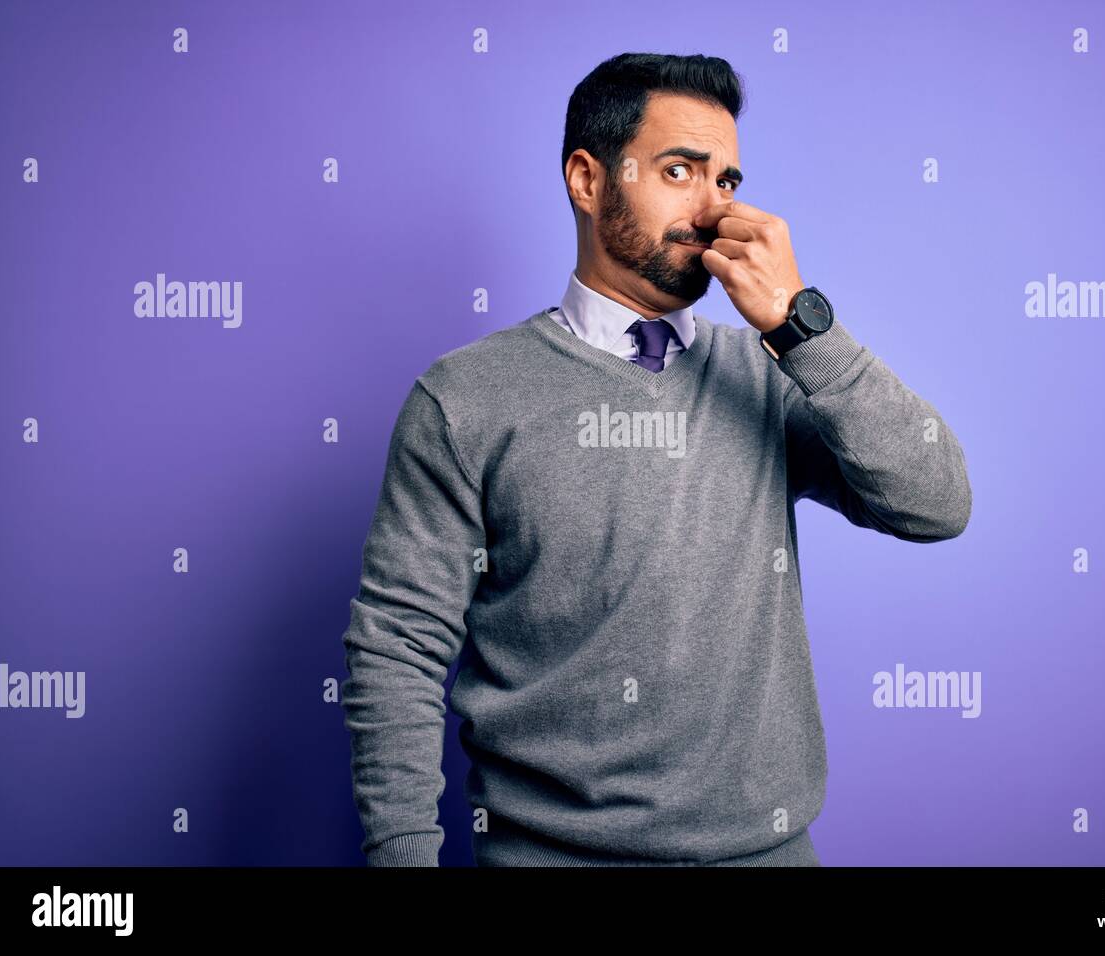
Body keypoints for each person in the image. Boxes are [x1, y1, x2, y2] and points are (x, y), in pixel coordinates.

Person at [340, 51, 972, 867]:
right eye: (681, 171)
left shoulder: (771, 376)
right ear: (587, 180)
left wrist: (803, 329)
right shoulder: (465, 399)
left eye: (728, 182)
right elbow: (397, 647)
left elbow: (938, 503)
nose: (714, 208)